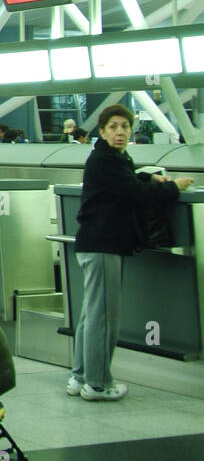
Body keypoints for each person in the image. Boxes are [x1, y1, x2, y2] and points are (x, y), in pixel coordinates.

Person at [69, 105, 193, 402]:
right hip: (103, 245)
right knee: (104, 318)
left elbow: (130, 183)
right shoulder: (106, 159)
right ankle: (98, 384)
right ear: (102, 131)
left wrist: (150, 179)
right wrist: (173, 187)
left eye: (125, 126)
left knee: (91, 315)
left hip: (94, 243)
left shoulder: (113, 157)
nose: (120, 132)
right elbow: (135, 194)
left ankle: (81, 376)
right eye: (113, 126)